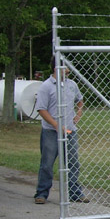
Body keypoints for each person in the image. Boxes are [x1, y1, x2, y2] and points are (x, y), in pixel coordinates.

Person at [33, 58, 89, 204]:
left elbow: (80, 100)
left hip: (70, 131)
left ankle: (75, 193)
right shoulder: (46, 86)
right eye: (66, 68)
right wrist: (56, 124)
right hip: (51, 132)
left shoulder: (72, 85)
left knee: (73, 163)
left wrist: (78, 114)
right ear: (56, 68)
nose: (69, 71)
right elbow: (41, 109)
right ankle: (41, 194)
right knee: (47, 163)